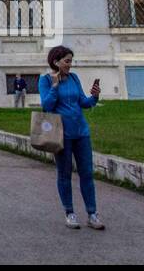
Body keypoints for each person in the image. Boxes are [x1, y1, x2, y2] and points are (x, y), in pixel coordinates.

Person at [39, 45, 104, 231]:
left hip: (81, 133)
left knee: (87, 174)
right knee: (64, 174)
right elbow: (47, 106)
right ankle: (70, 213)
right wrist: (54, 86)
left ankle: (92, 213)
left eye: (71, 61)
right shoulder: (45, 80)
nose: (70, 65)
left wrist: (94, 97)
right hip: (62, 136)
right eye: (67, 61)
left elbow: (82, 102)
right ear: (56, 62)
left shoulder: (74, 78)